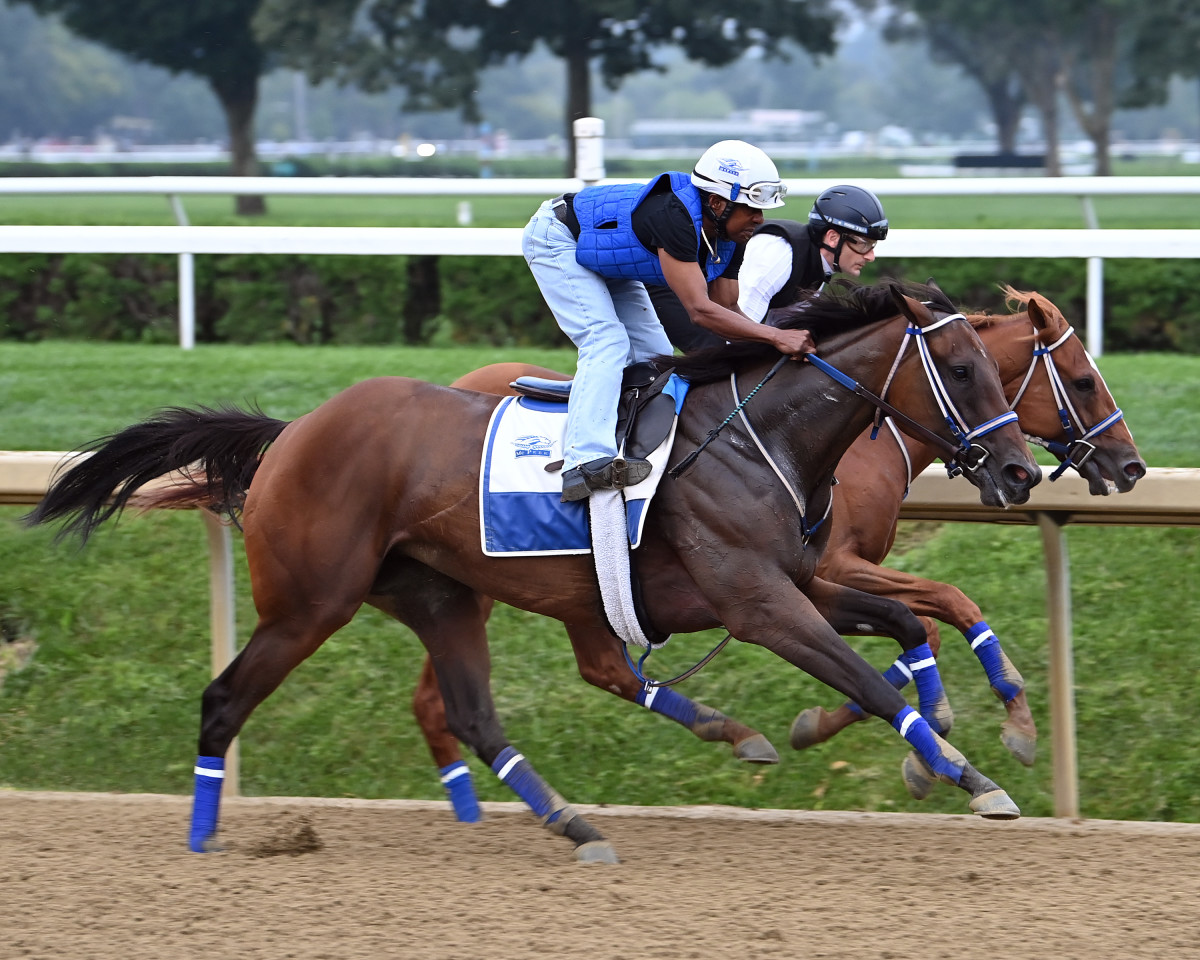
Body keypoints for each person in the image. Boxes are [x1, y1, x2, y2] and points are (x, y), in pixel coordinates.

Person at [522, 140, 815, 502]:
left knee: (656, 357)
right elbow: (700, 310)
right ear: (718, 203)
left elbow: (727, 307)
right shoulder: (674, 216)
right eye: (751, 209)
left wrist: (770, 347)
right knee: (606, 340)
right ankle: (584, 462)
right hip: (558, 237)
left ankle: (629, 441)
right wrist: (774, 336)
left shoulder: (733, 233)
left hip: (610, 260)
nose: (760, 219)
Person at [650, 184, 890, 353]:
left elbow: (788, 331)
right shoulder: (779, 254)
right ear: (833, 238)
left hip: (713, 309)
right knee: (720, 363)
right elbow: (738, 329)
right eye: (863, 244)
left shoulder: (819, 268)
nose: (870, 256)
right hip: (674, 296)